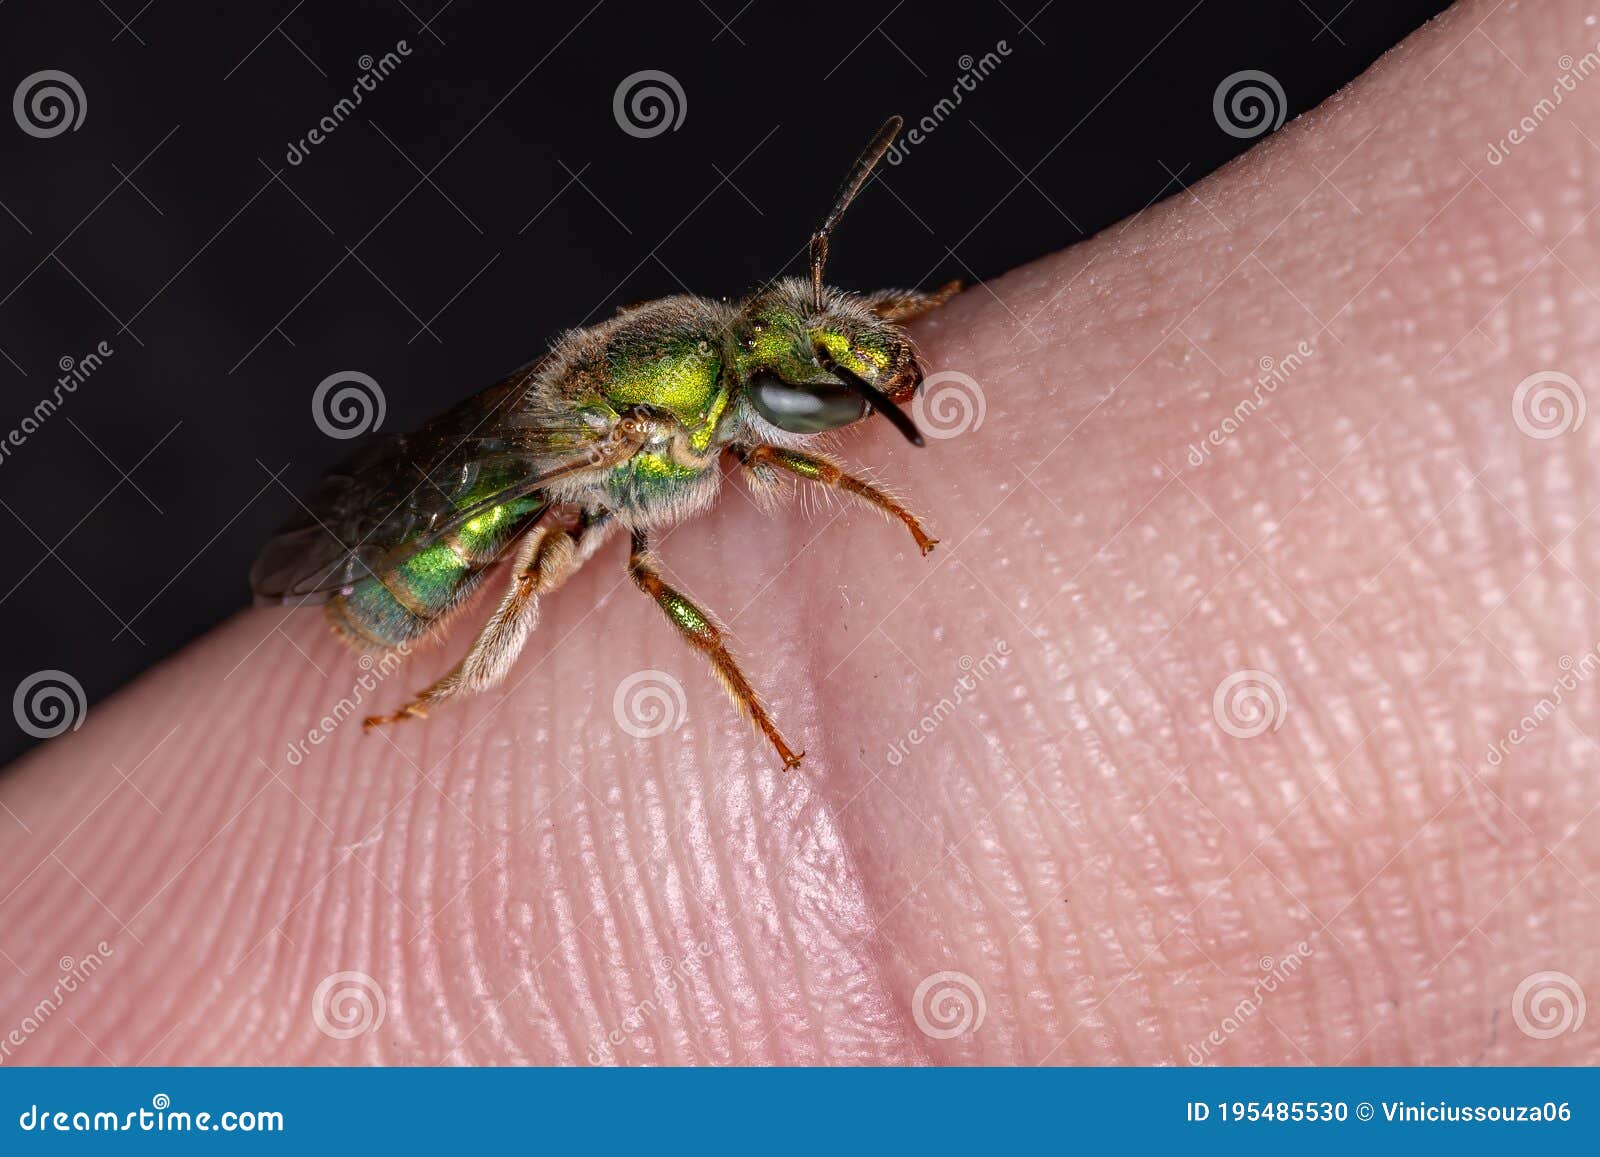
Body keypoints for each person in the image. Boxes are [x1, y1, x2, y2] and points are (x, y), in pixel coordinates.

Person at [1, 0, 1594, 1064]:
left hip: (522, 432)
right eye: (805, 354)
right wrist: (848, 517)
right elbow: (734, 462)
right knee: (567, 560)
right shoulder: (661, 419)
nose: (814, 349)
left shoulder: (726, 346)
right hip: (455, 520)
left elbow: (791, 359)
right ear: (709, 399)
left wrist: (890, 348)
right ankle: (461, 682)